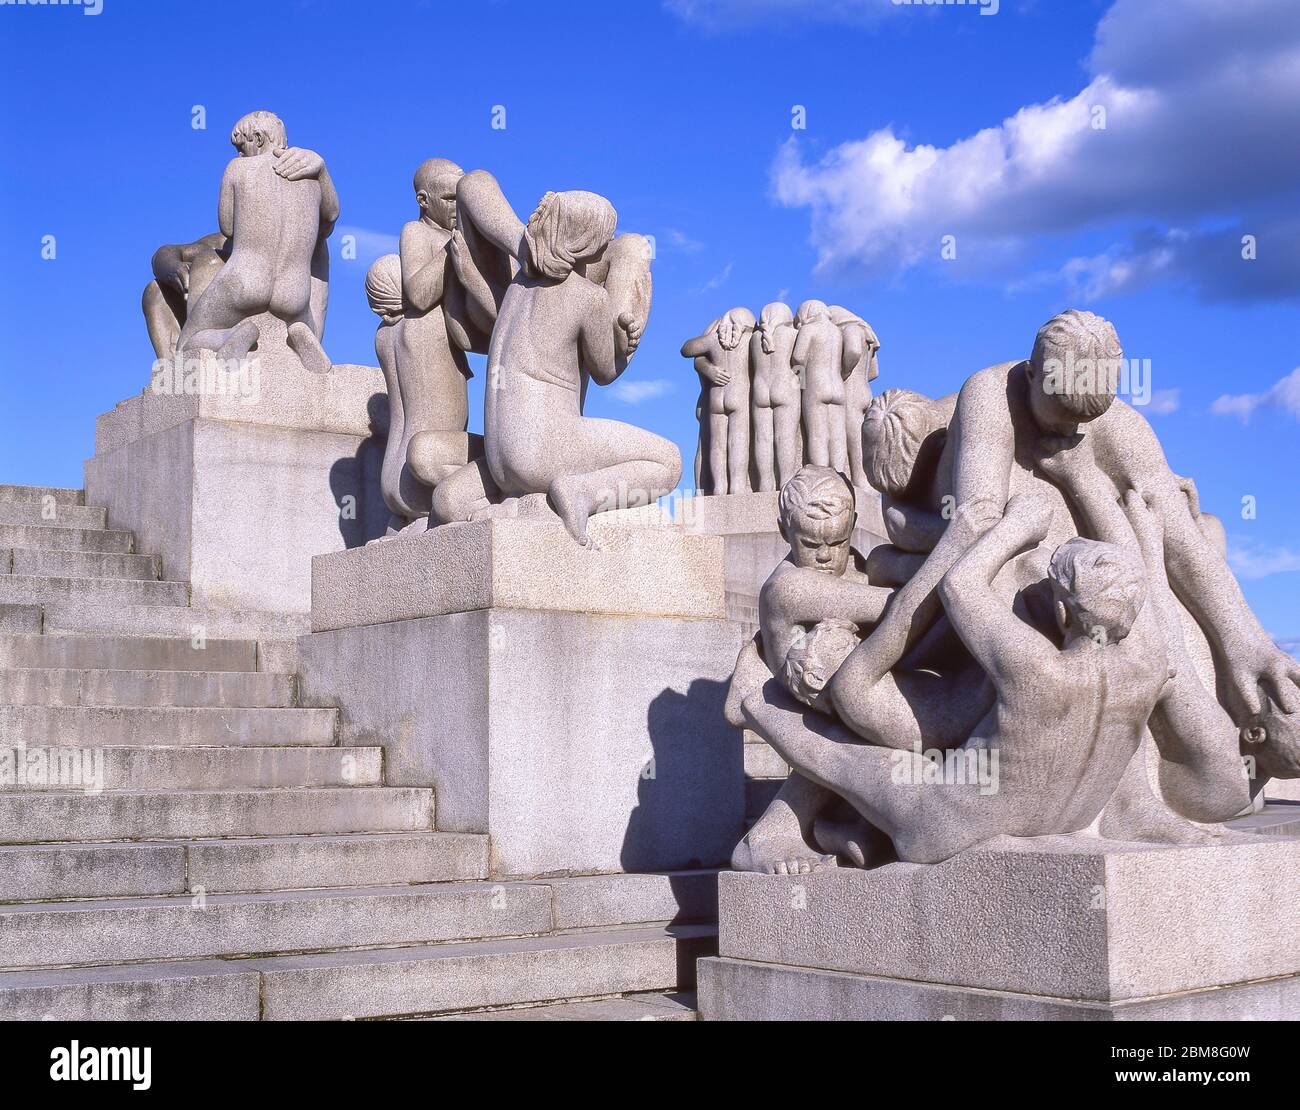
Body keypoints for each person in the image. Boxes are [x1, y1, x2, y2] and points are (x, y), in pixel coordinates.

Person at [744, 493, 1173, 864]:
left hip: (941, 824)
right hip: (1062, 818)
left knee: (840, 756)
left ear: (1062, 613)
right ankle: (835, 828)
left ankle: (752, 705)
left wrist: (1015, 528)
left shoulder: (1035, 665)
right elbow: (1149, 595)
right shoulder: (1150, 673)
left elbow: (960, 584)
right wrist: (1145, 535)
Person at [431, 183, 678, 546]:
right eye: (602, 242)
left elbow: (471, 186)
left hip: (502, 464)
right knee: (668, 462)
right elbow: (605, 372)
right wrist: (625, 346)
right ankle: (583, 493)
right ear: (586, 244)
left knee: (448, 501)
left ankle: (518, 502)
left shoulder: (517, 288)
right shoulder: (588, 297)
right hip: (543, 448)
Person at [176, 111, 338, 373]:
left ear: (259, 139)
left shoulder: (237, 168)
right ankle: (302, 330)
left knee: (187, 343)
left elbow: (227, 226)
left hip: (245, 280)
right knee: (304, 306)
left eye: (242, 147)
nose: (240, 154)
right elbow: (331, 216)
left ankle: (229, 336)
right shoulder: (311, 178)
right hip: (294, 292)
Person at [681, 309, 755, 494]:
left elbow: (687, 348)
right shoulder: (750, 340)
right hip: (738, 395)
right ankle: (737, 487)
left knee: (717, 445)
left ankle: (719, 488)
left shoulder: (714, 340)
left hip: (716, 397)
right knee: (737, 442)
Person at [749, 302, 802, 492]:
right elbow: (799, 365)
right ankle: (785, 484)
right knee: (785, 437)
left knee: (762, 438)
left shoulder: (755, 338)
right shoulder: (793, 335)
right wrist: (801, 386)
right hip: (785, 387)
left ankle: (764, 486)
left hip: (761, 389)